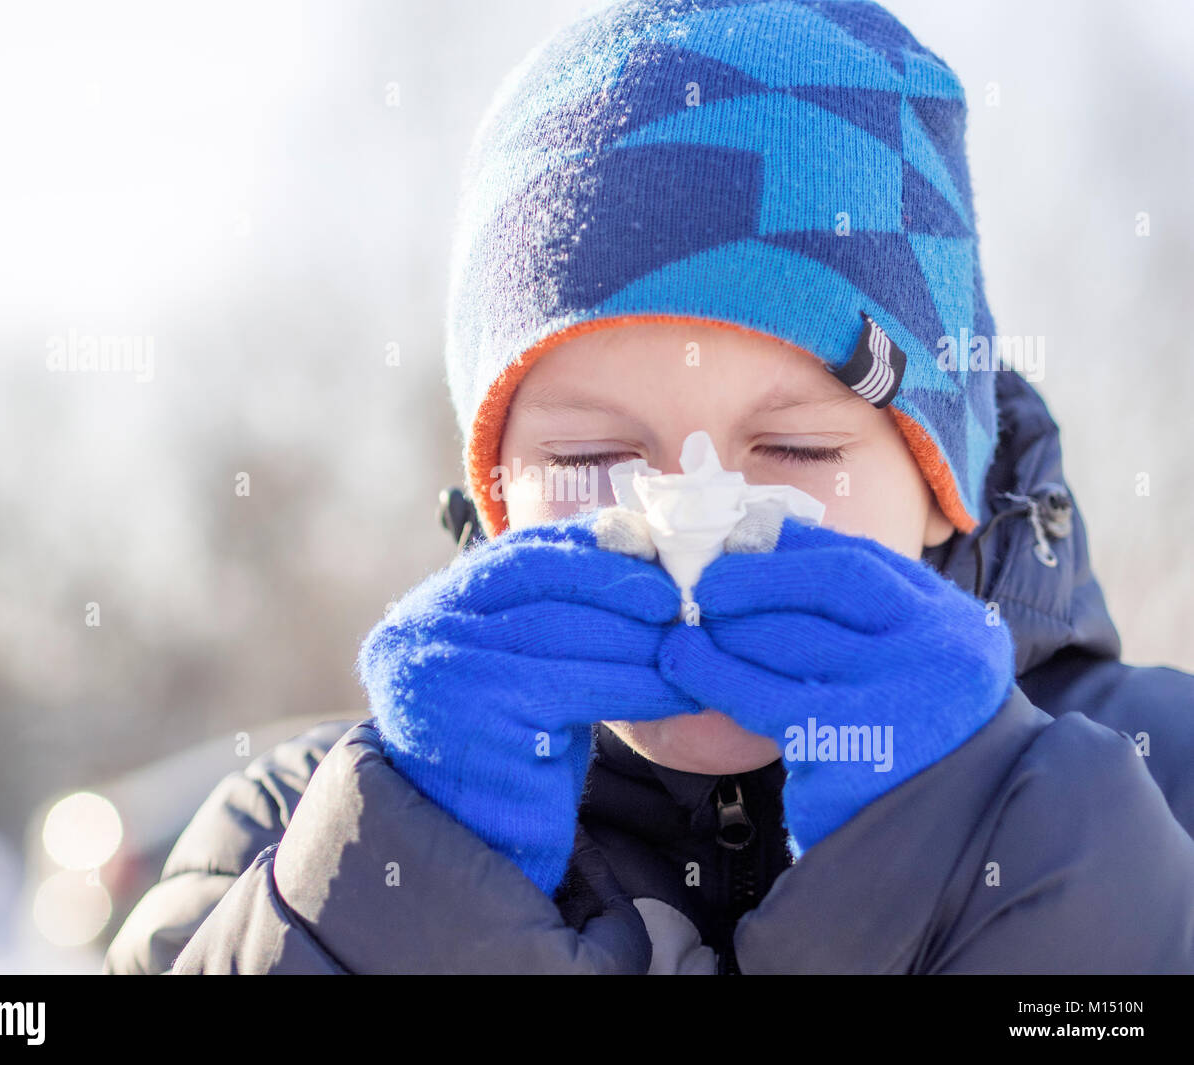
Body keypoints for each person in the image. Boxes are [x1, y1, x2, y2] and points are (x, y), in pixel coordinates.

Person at [103, 0, 1194, 975]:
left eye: (799, 452)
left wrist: (978, 847)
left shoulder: (1160, 783)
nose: (692, 529)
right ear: (493, 506)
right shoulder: (300, 833)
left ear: (943, 484)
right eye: (589, 463)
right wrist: (411, 887)